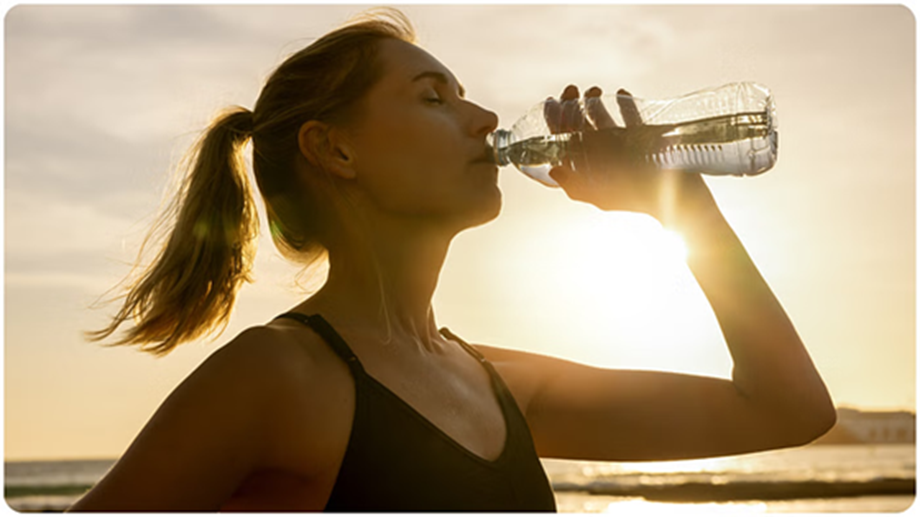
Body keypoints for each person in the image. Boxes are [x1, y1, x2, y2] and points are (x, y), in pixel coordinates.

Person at [67, 8, 836, 512]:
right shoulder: (278, 375)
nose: (486, 119)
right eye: (434, 98)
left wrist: (686, 207)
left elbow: (789, 409)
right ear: (334, 149)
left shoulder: (500, 384)